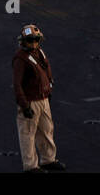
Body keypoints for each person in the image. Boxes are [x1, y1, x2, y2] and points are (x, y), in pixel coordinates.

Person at [12, 24, 65, 172]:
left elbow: (46, 71)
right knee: (28, 134)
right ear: (23, 41)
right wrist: (24, 105)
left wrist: (49, 89)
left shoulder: (39, 52)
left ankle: (48, 160)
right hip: (30, 101)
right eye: (30, 40)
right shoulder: (20, 59)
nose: (34, 43)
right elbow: (17, 85)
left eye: (36, 40)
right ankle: (30, 166)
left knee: (47, 130)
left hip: (43, 99)